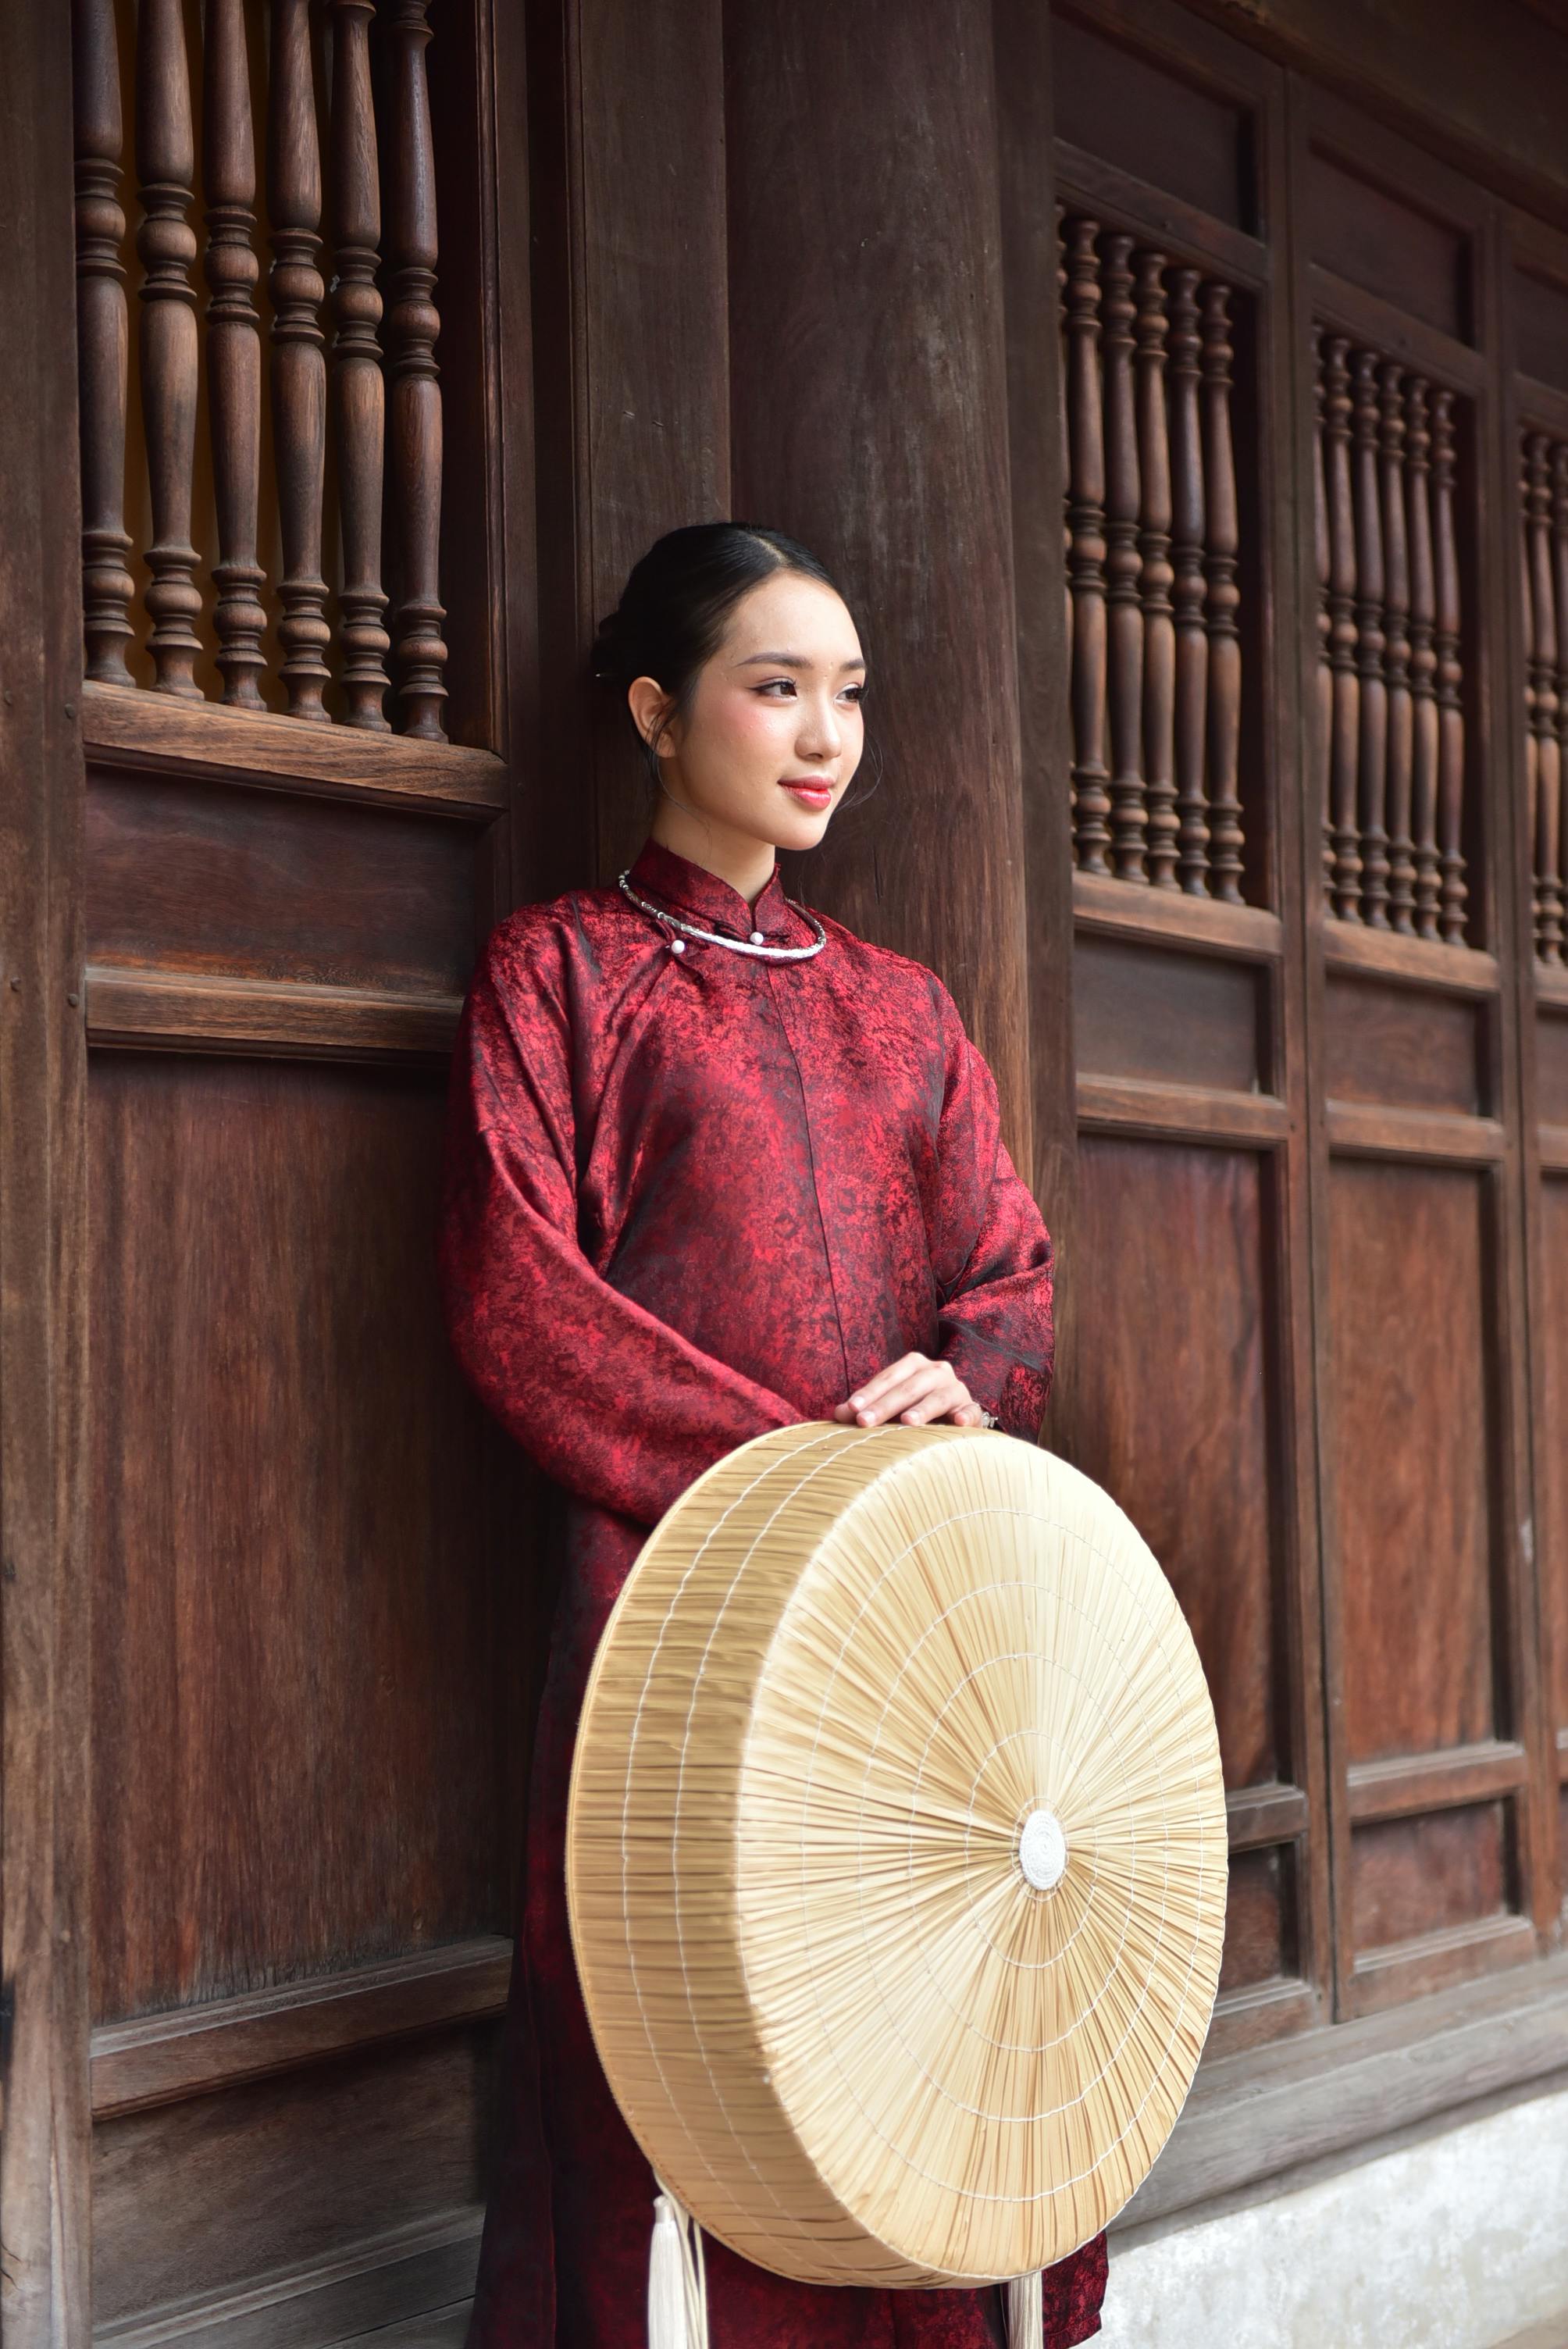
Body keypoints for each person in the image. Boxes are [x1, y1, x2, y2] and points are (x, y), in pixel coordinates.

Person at [438, 522, 1108, 2348]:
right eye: (775, 685)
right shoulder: (558, 973)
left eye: (848, 694)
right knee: (680, 2040)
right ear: (659, 710)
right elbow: (519, 1297)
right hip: (667, 1602)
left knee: (915, 2024)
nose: (824, 734)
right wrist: (782, 1481)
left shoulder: (905, 1008)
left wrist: (969, 1374)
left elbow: (1009, 1269)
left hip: (900, 1606)